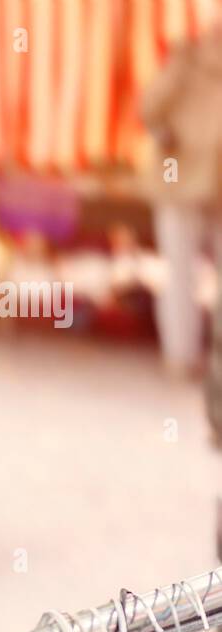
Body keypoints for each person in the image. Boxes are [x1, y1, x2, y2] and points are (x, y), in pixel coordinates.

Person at [140, 23, 222, 399]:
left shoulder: (186, 57)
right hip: (209, 183)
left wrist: (164, 134)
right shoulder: (186, 58)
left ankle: (181, 357)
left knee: (180, 274)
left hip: (180, 180)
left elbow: (149, 107)